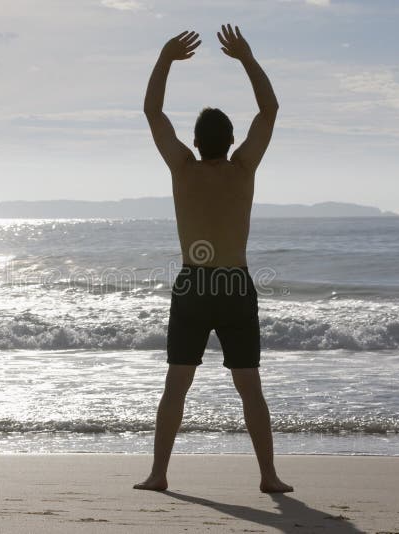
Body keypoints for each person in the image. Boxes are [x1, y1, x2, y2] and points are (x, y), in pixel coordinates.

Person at [134, 24, 293, 493]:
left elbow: (152, 111)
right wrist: (246, 57)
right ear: (229, 140)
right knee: (249, 385)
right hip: (234, 284)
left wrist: (164, 58)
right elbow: (269, 110)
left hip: (193, 285)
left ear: (197, 141)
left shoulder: (182, 169)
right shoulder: (243, 169)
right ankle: (268, 477)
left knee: (177, 383)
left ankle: (159, 474)